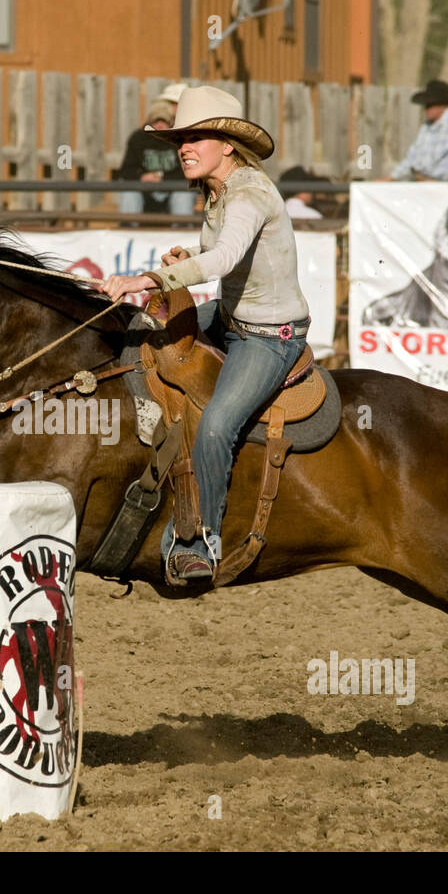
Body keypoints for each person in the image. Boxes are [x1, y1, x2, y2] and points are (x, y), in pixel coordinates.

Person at [99, 86, 310, 582]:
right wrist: (185, 259)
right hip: (231, 316)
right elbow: (218, 255)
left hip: (268, 337)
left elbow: (225, 259)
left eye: (195, 138)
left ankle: (200, 542)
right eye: (180, 140)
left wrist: (150, 278)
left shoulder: (251, 192)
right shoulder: (218, 191)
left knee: (216, 425)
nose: (184, 148)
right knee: (143, 335)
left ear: (229, 145)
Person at [115, 83, 196, 217]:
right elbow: (127, 169)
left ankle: (183, 229)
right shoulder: (139, 138)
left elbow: (189, 171)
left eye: (178, 104)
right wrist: (143, 177)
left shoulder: (185, 137)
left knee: (183, 194)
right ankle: (127, 228)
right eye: (172, 103)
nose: (159, 125)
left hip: (174, 189)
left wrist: (162, 178)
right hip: (144, 190)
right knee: (130, 193)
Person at [389, 79, 448, 181]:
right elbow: (412, 158)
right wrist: (390, 178)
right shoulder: (426, 127)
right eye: (426, 105)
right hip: (419, 181)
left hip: (441, 185)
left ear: (442, 105)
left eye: (430, 105)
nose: (426, 109)